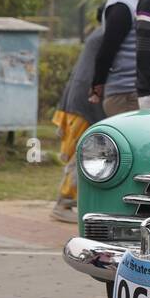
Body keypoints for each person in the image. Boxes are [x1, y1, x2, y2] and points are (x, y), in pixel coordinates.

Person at [49, 23, 108, 221]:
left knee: (83, 154)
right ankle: (64, 203)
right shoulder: (111, 31)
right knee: (83, 155)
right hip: (86, 104)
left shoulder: (100, 32)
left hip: (78, 101)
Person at [90, 0, 150, 117]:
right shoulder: (121, 7)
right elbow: (106, 51)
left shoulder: (135, 1)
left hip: (135, 92)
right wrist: (98, 85)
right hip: (125, 94)